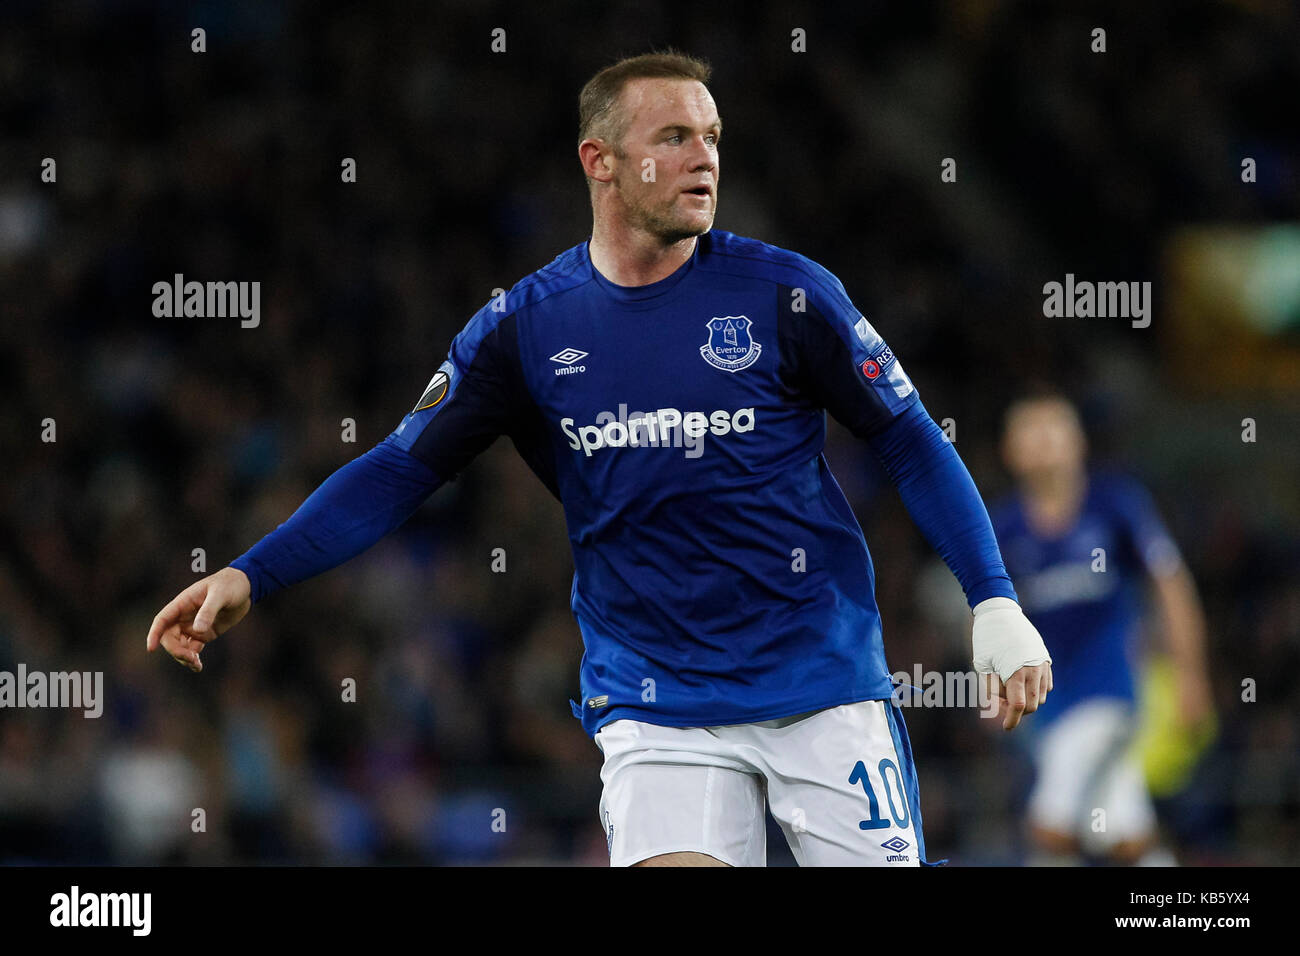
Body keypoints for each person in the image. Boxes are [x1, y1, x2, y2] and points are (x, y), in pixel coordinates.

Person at [147, 50, 1051, 867]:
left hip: (821, 684)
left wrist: (994, 598)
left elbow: (908, 437)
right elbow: (398, 468)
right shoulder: (524, 329)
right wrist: (250, 574)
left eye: (712, 136)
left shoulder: (786, 296)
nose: (705, 157)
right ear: (601, 161)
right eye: (674, 136)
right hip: (655, 701)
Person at [991, 393, 1212, 865]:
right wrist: (989, 681)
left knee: (1049, 823)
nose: (1046, 440)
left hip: (1110, 693)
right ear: (1009, 450)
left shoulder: (1116, 505)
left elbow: (1170, 584)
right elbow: (988, 615)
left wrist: (1190, 673)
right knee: (1122, 833)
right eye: (1031, 429)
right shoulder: (1002, 527)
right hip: (1045, 706)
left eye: (1057, 427)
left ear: (1080, 442)